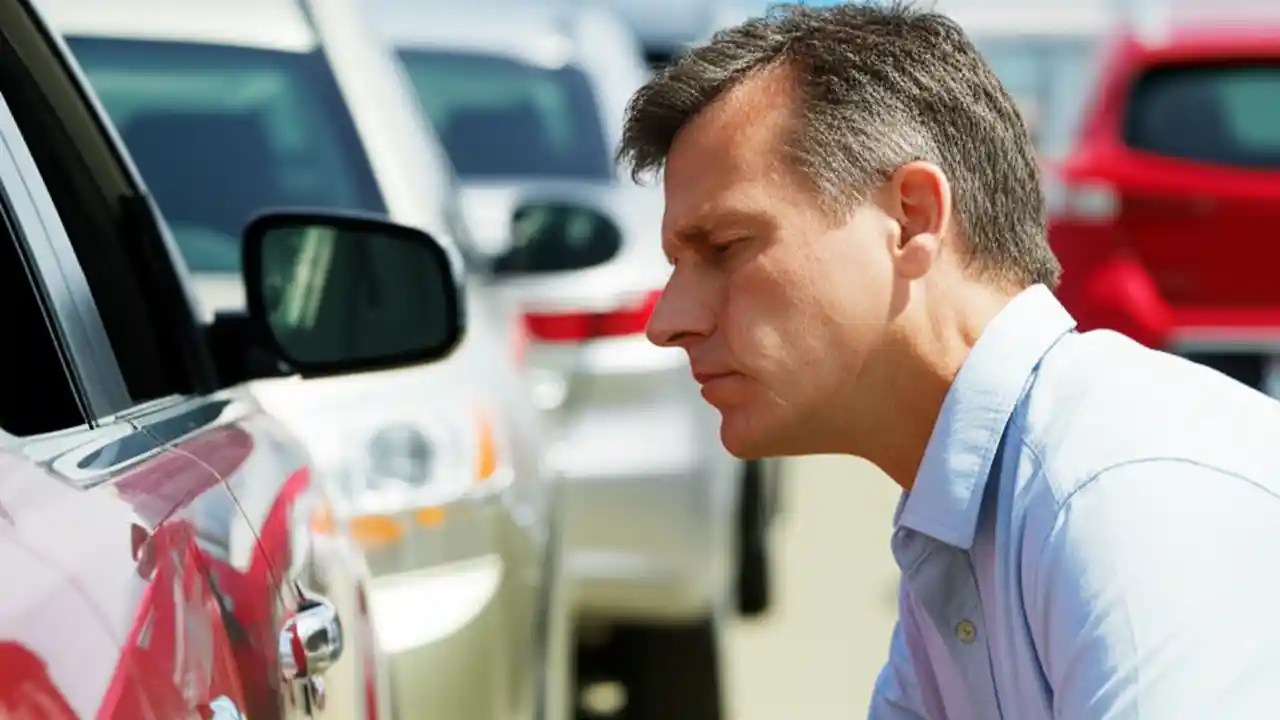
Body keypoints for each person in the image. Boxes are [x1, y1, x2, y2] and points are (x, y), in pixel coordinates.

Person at [617, 2, 1280, 718]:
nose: (668, 322)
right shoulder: (982, 512)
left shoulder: (1118, 494)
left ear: (911, 217)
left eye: (726, 248)